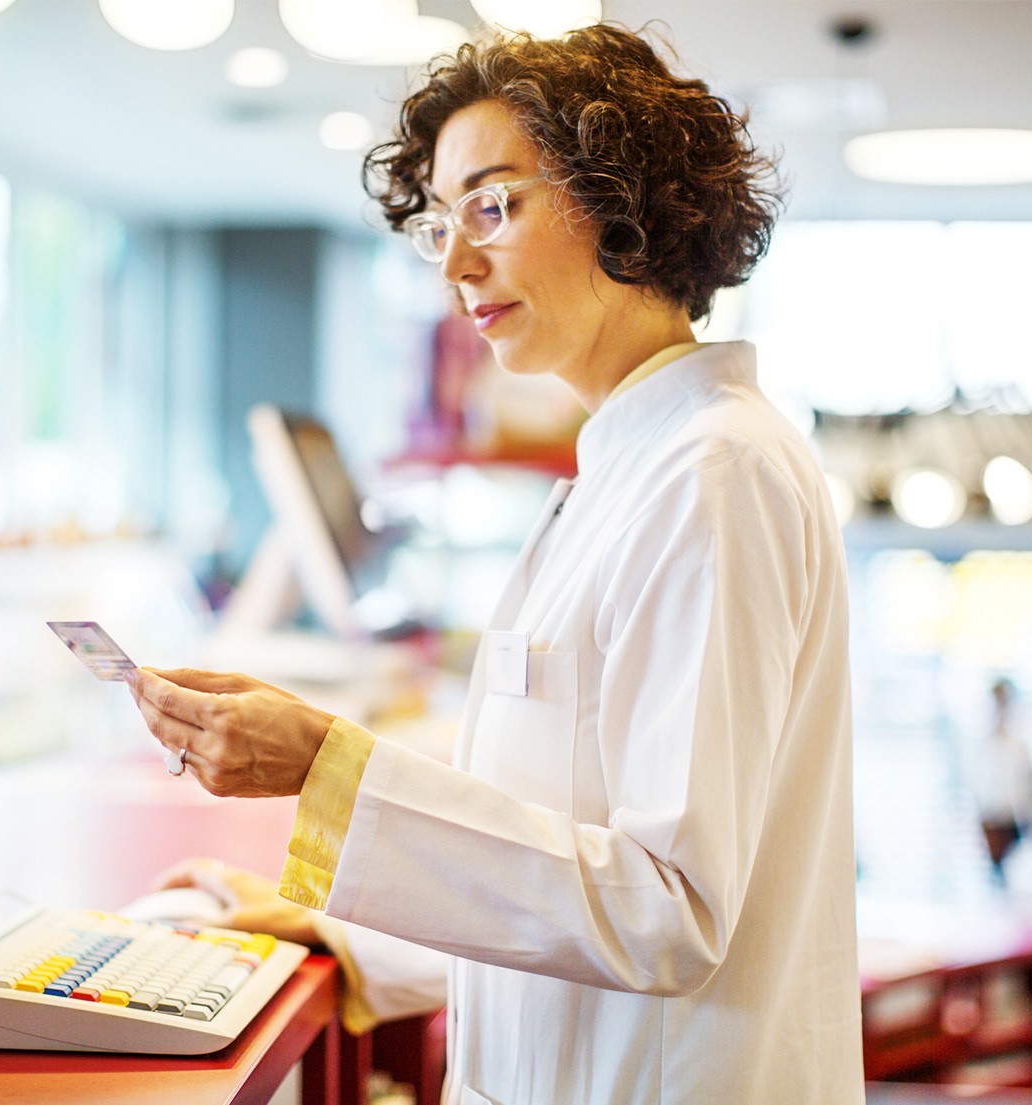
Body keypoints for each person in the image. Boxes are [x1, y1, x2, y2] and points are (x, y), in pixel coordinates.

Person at [127, 24, 862, 1104]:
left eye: (493, 205)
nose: (458, 265)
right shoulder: (629, 465)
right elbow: (559, 867)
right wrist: (353, 935)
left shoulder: (714, 473)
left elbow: (669, 909)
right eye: (440, 226)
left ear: (623, 199)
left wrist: (331, 767)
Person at [974, 678, 1032, 884]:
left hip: (1016, 821)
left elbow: (1027, 787)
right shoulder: (981, 745)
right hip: (991, 819)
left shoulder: (1020, 745)